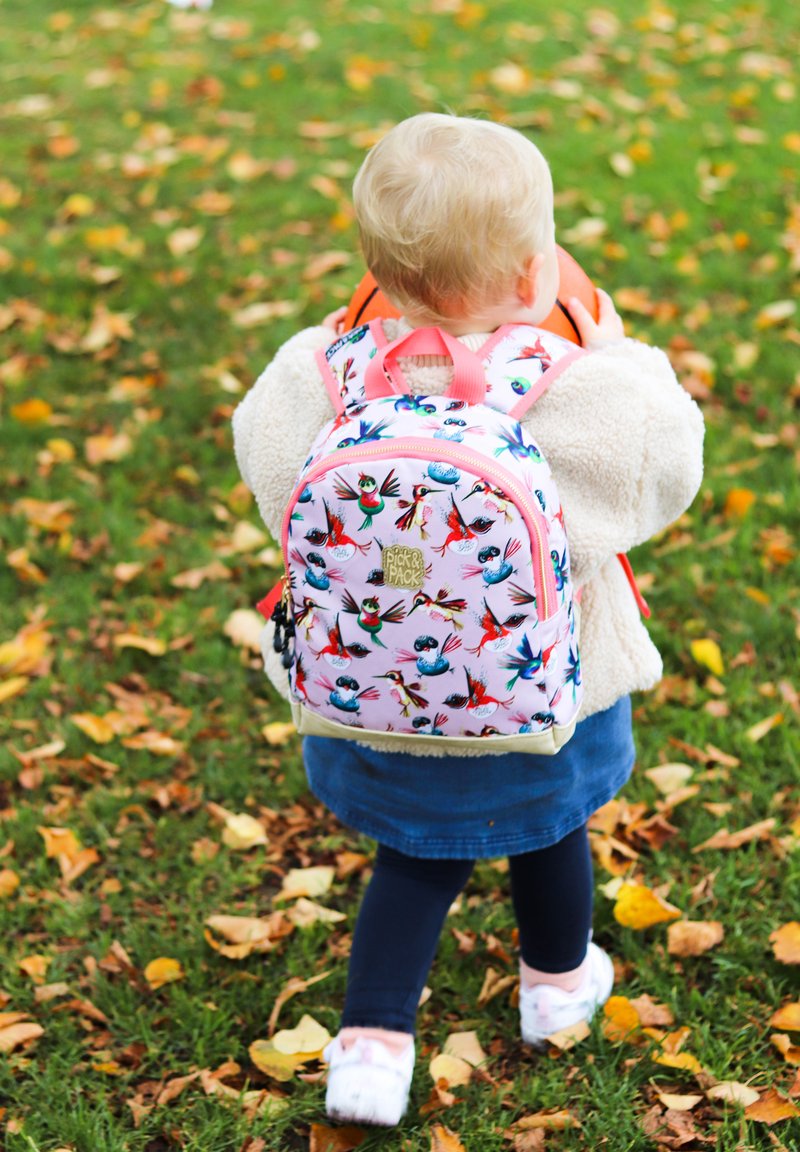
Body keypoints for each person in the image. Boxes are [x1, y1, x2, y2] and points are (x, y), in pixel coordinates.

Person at [232, 113, 705, 1127]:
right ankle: (555, 987)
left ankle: (368, 1049)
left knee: (415, 855)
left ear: (369, 266)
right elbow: (666, 467)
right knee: (550, 833)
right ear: (536, 274)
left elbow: (275, 483)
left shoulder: (318, 372)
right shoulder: (575, 390)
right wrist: (616, 346)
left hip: (378, 694)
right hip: (542, 695)